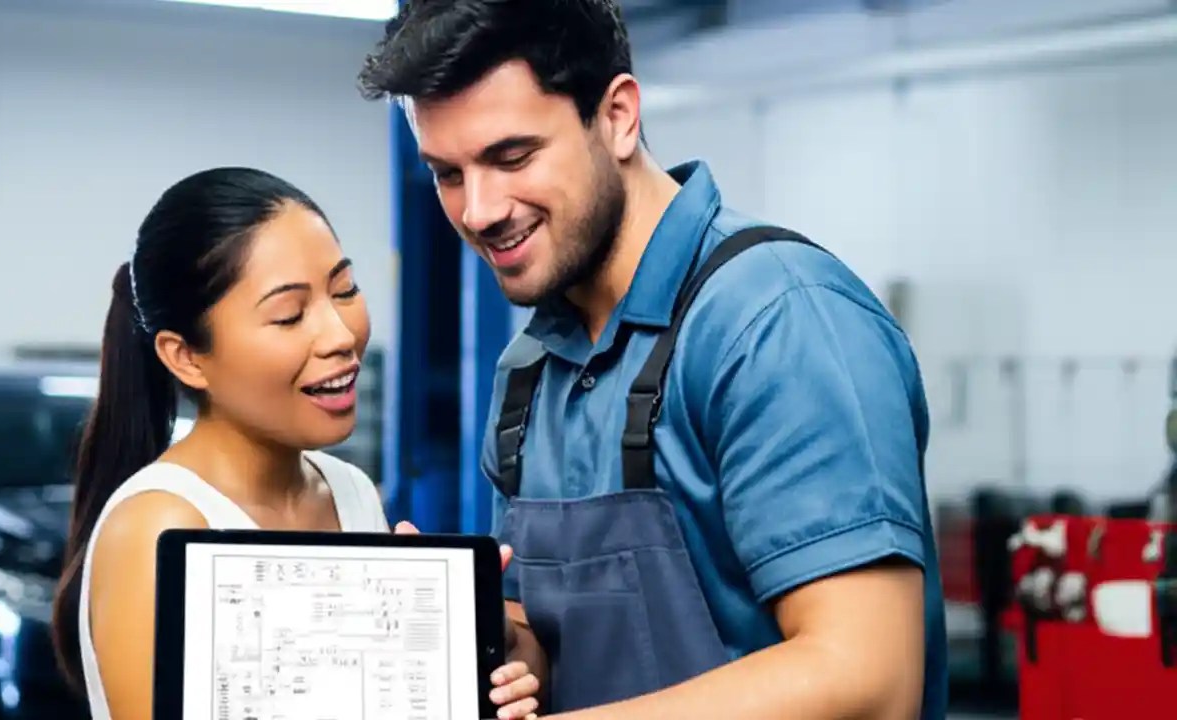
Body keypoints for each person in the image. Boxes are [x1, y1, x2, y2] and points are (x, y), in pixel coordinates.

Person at [357, 2, 948, 719]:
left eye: (512, 157)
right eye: (448, 173)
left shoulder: (776, 321)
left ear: (618, 117)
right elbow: (547, 635)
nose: (479, 210)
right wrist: (489, 644)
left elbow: (867, 678)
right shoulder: (528, 370)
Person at [49, 167, 540, 720]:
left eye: (345, 290)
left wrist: (472, 648)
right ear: (185, 356)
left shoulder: (349, 491)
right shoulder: (156, 527)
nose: (338, 335)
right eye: (288, 315)